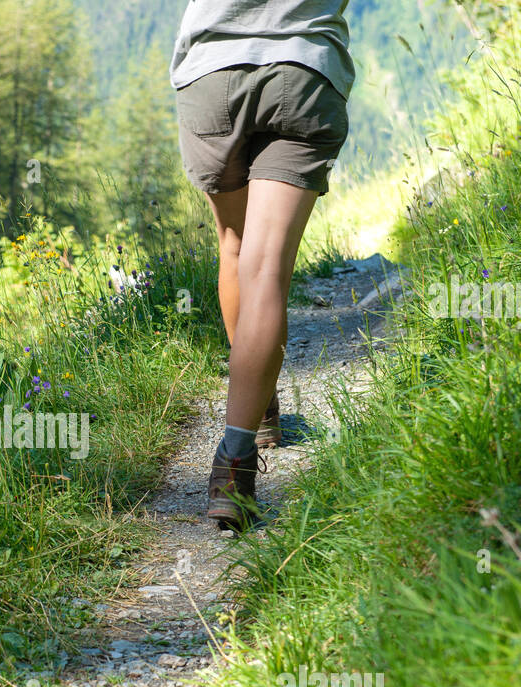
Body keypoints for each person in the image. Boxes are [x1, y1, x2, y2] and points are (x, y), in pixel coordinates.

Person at [170, 0, 353, 530]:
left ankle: (262, 407)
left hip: (212, 72)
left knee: (234, 245)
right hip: (304, 70)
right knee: (266, 267)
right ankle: (234, 465)